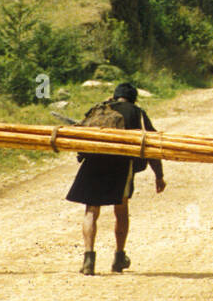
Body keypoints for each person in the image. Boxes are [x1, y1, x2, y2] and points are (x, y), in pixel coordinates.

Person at [65, 82, 165, 275]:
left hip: (93, 161)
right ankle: (119, 258)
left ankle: (88, 258)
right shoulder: (137, 113)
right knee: (121, 209)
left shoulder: (101, 108)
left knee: (91, 210)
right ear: (133, 98)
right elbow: (150, 144)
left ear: (115, 96)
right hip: (121, 165)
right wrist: (159, 175)